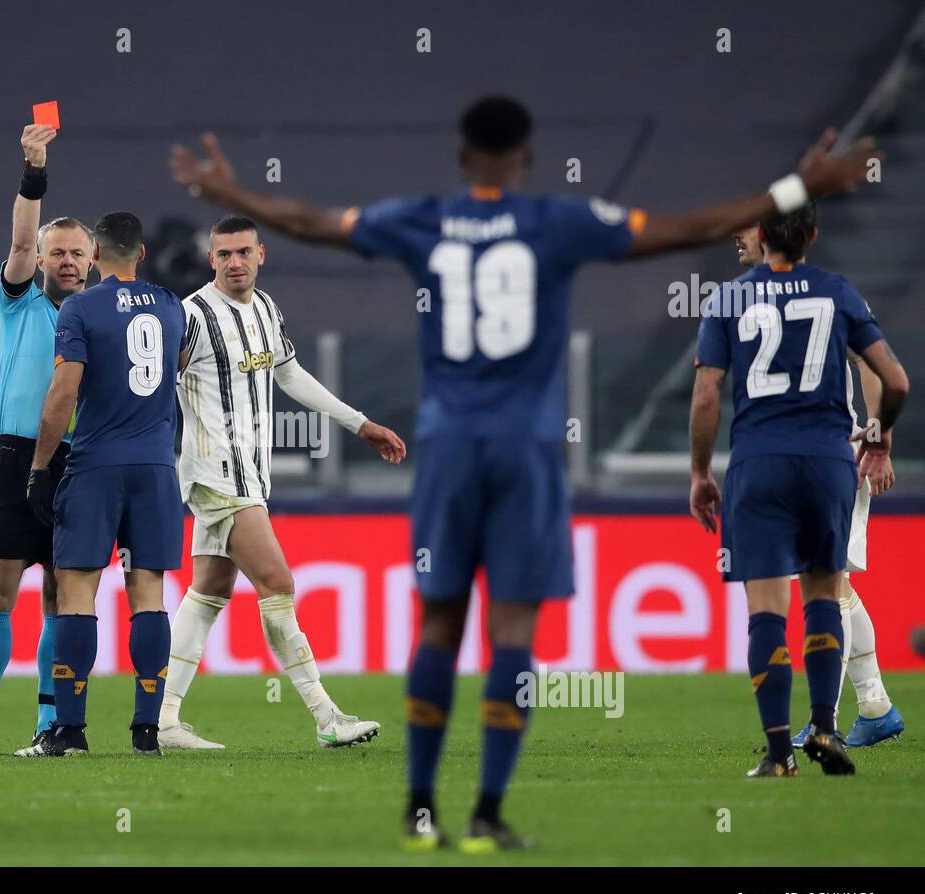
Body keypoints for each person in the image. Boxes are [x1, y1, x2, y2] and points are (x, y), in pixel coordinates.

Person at [170, 96, 881, 850]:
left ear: (460, 156)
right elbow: (689, 227)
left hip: (448, 453)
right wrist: (799, 188)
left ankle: (418, 810)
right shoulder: (559, 222)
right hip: (526, 454)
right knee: (514, 635)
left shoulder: (425, 218)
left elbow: (318, 223)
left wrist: (232, 194)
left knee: (438, 628)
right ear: (528, 156)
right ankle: (487, 813)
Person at [161, 214, 406, 750]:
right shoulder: (193, 315)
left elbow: (290, 375)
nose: (234, 263)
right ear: (211, 260)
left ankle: (164, 721)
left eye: (243, 252)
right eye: (223, 254)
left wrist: (358, 424)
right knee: (277, 584)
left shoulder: (267, 309)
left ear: (260, 254)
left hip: (251, 473)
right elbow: (158, 381)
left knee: (209, 590)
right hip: (216, 472)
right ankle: (326, 716)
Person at [691, 204, 908, 777]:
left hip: (761, 461)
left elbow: (707, 395)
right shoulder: (836, 291)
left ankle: (781, 750)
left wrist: (698, 473)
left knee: (770, 607)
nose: (734, 233)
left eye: (744, 225)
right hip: (828, 459)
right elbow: (891, 373)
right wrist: (879, 438)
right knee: (828, 593)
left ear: (763, 233)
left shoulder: (729, 298)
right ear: (811, 235)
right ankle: (840, 723)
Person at [0, 123, 94, 756]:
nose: (64, 260)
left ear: (92, 260)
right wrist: (33, 172)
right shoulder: (19, 301)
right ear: (40, 258)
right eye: (53, 251)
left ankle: (48, 722)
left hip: (78, 463)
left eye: (74, 253)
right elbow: (17, 235)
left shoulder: (101, 319)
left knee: (63, 594)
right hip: (14, 456)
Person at [19, 212, 186, 757]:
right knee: (147, 592)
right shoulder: (170, 307)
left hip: (95, 466)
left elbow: (62, 394)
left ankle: (69, 730)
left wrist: (41, 469)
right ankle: (145, 731)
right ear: (140, 253)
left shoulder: (81, 308)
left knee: (76, 590)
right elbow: (177, 371)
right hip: (157, 467)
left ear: (93, 256)